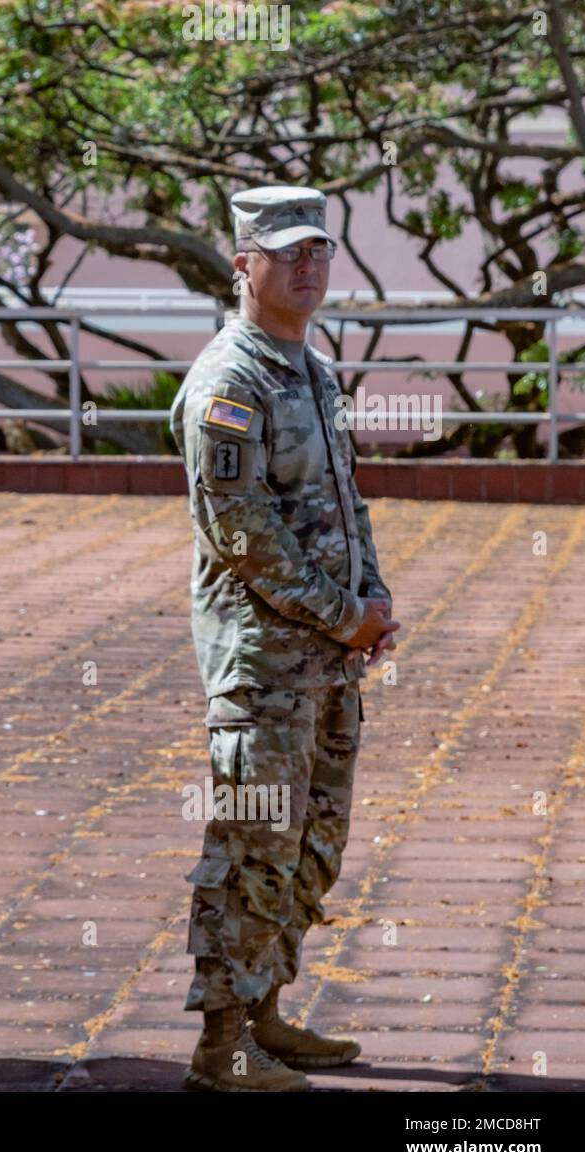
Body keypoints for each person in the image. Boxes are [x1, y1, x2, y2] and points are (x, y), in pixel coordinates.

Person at [170, 186, 399, 1092]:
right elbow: (245, 535)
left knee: (313, 844)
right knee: (252, 845)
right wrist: (347, 614)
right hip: (263, 662)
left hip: (326, 657)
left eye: (319, 252)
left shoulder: (312, 368)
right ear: (243, 263)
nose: (308, 267)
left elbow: (347, 502)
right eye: (288, 252)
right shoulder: (231, 381)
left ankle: (264, 1011)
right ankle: (222, 1042)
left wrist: (372, 593)